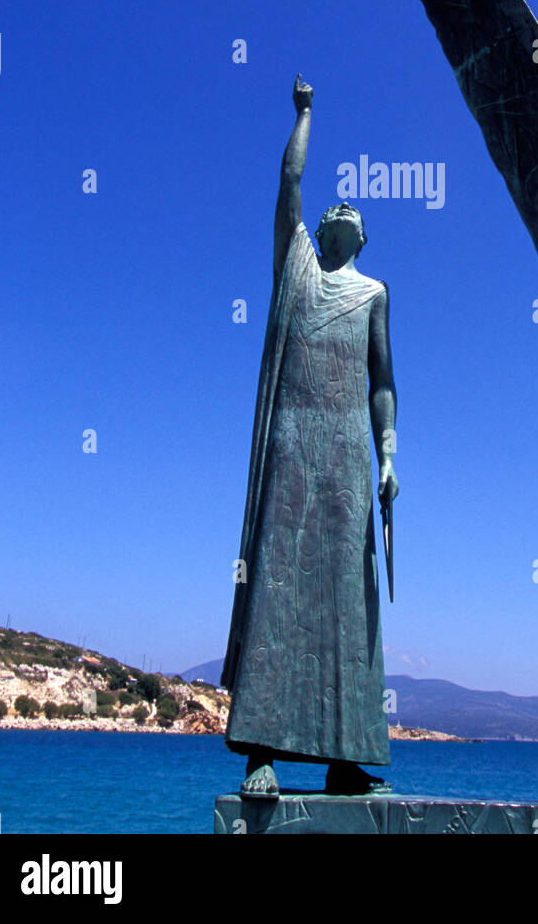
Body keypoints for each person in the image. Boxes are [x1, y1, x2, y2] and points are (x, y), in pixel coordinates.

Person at [222, 75, 399, 796]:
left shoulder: (375, 293)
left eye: (352, 212)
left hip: (351, 454)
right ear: (321, 231)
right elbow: (290, 179)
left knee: (347, 596)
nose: (341, 211)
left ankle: (344, 756)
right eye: (333, 209)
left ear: (362, 236)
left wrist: (390, 453)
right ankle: (262, 745)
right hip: (293, 441)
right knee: (277, 581)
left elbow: (383, 382)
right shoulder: (294, 265)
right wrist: (304, 113)